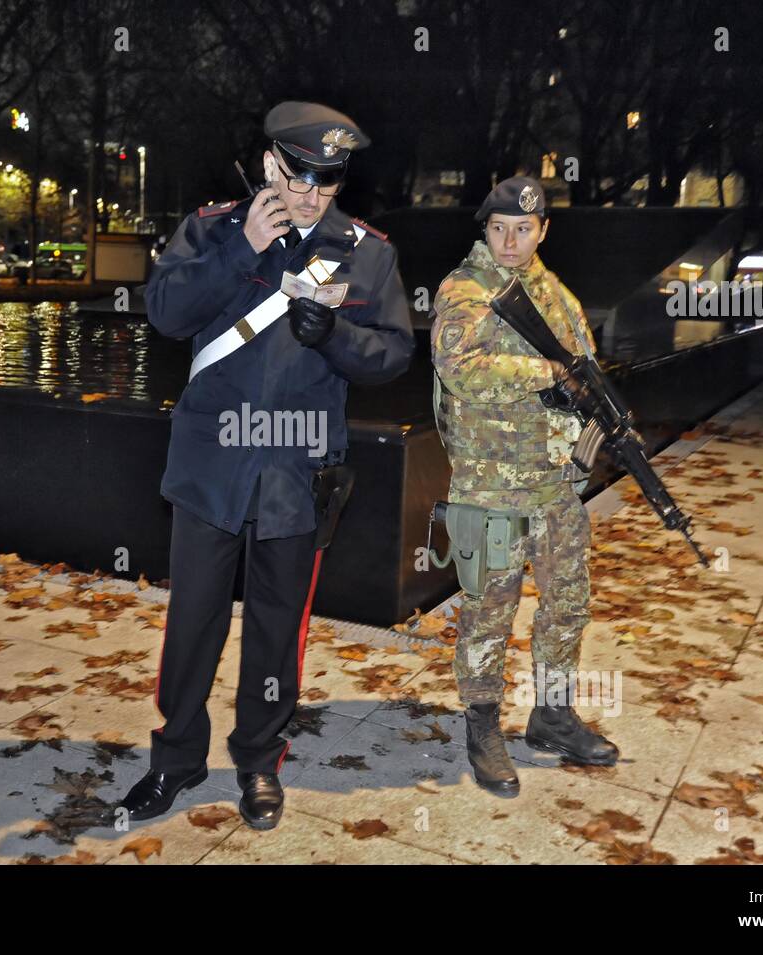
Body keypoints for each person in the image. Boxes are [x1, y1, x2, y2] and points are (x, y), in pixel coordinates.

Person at [120, 101, 414, 829]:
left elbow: (396, 351)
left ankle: (258, 761)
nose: (312, 194)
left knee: (279, 626)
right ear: (267, 164)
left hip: (297, 469)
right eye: (299, 175)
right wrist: (239, 250)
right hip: (210, 465)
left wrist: (338, 336)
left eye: (329, 180)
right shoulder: (212, 227)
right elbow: (164, 311)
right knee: (192, 620)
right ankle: (176, 757)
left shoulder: (367, 250)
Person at [431, 176, 618, 798]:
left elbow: (584, 366)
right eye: (498, 228)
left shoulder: (556, 293)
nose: (510, 241)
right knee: (488, 612)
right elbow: (461, 370)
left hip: (554, 484)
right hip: (489, 486)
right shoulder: (465, 289)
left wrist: (597, 424)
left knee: (568, 603)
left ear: (543, 231)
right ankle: (483, 726)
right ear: (484, 231)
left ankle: (552, 715)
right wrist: (545, 372)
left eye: (523, 229)